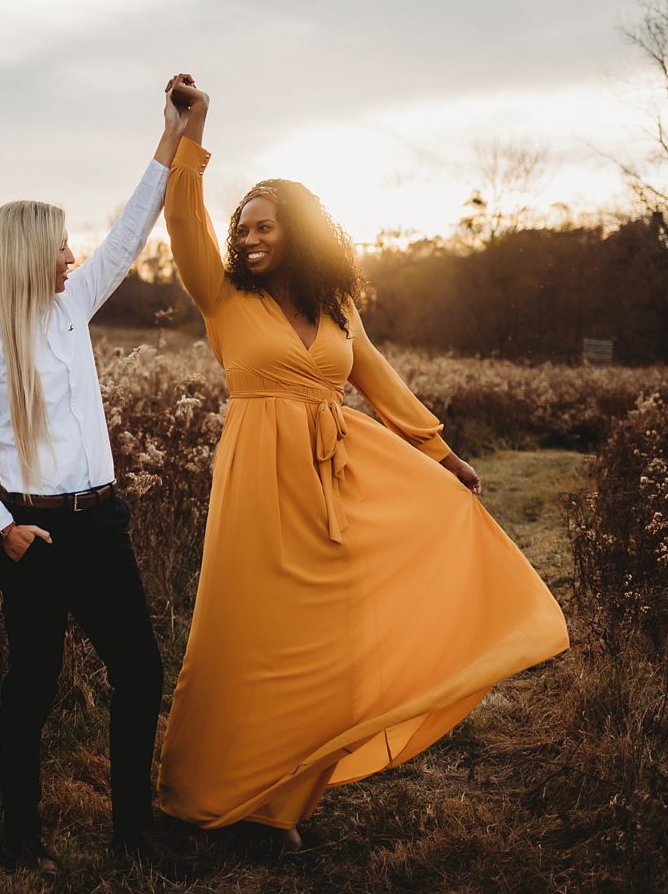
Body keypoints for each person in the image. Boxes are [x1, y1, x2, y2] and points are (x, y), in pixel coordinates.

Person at [155, 77, 570, 846]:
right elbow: (182, 217)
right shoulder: (221, 298)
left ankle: (279, 804)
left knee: (328, 647)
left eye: (264, 226)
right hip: (256, 481)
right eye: (241, 226)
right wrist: (190, 131)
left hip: (336, 481)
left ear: (301, 234)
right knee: (238, 638)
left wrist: (442, 457)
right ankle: (197, 801)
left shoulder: (337, 309)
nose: (246, 237)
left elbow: (379, 381)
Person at [0, 77, 190, 876]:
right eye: (59, 245)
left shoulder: (73, 305)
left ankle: (132, 831)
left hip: (100, 521)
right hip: (34, 532)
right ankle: (19, 838)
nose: (74, 254)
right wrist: (1, 529)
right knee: (34, 686)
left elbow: (129, 234)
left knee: (142, 672)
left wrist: (174, 133)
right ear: (24, 252)